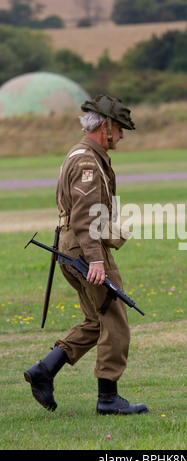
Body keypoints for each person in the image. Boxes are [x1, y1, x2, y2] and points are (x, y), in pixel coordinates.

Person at [24, 95, 149, 415]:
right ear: (105, 127)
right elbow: (84, 218)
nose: (121, 136)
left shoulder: (84, 154)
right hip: (84, 249)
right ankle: (108, 398)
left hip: (73, 247)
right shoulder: (87, 162)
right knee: (115, 320)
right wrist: (95, 260)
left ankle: (43, 371)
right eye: (120, 129)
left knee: (96, 320)